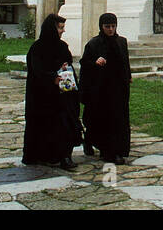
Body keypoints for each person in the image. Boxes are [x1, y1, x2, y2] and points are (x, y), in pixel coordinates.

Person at [22, 12, 82, 170]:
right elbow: (37, 70)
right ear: (51, 28)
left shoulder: (63, 47)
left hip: (62, 95)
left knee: (63, 125)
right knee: (44, 126)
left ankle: (64, 156)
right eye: (60, 28)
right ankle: (43, 155)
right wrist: (51, 77)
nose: (63, 31)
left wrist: (63, 70)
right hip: (43, 96)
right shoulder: (37, 48)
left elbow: (67, 64)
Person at [79, 12, 132, 164]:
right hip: (101, 88)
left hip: (118, 87)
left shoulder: (121, 42)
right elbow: (85, 63)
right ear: (101, 27)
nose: (110, 30)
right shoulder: (94, 44)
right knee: (103, 120)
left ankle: (118, 149)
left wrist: (128, 76)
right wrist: (95, 62)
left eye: (113, 26)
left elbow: (124, 61)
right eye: (107, 26)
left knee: (119, 119)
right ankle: (107, 150)